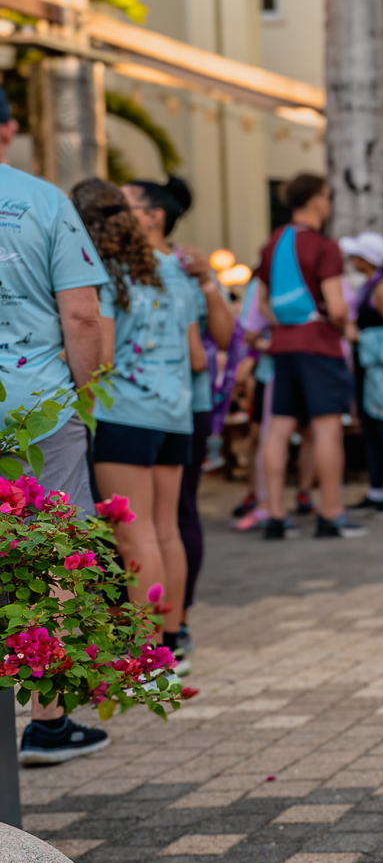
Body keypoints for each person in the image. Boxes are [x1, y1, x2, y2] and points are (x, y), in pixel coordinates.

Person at [5, 109, 112, 767]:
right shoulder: (44, 201)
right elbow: (81, 312)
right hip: (38, 404)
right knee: (55, 552)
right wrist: (84, 390)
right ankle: (47, 720)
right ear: (8, 128)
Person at [72, 179, 199, 659]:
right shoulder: (170, 267)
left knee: (134, 534)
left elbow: (98, 355)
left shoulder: (102, 271)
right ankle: (169, 645)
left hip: (124, 411)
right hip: (175, 413)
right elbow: (193, 350)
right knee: (166, 530)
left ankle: (147, 657)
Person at [125, 176, 234, 661]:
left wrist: (208, 281)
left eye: (124, 203)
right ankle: (161, 630)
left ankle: (176, 623)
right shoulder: (130, 266)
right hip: (155, 407)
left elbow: (222, 341)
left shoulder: (185, 266)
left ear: (154, 214)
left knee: (174, 515)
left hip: (181, 406)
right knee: (153, 522)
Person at [254, 173, 366, 539]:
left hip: (283, 345)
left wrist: (284, 327)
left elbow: (262, 305)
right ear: (318, 199)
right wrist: (345, 325)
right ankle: (330, 513)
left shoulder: (274, 243)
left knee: (279, 427)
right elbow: (336, 306)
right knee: (326, 427)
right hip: (319, 344)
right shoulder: (323, 246)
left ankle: (275, 514)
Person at [338, 231, 383, 515]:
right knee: (372, 429)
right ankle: (377, 489)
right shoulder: (371, 285)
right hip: (368, 369)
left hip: (381, 370)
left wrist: (360, 338)